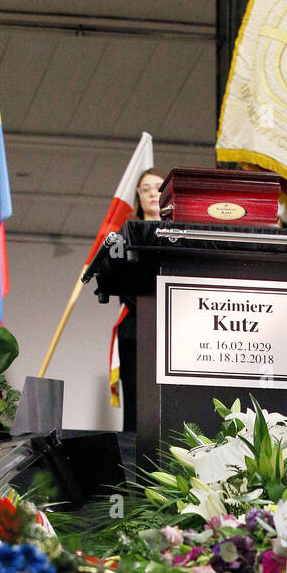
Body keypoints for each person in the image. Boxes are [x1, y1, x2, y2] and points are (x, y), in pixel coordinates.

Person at [116, 168, 164, 428]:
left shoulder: (183, 233)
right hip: (136, 329)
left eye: (158, 186)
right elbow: (121, 281)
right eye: (145, 188)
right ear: (138, 196)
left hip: (176, 333)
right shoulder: (126, 235)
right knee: (136, 403)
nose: (152, 193)